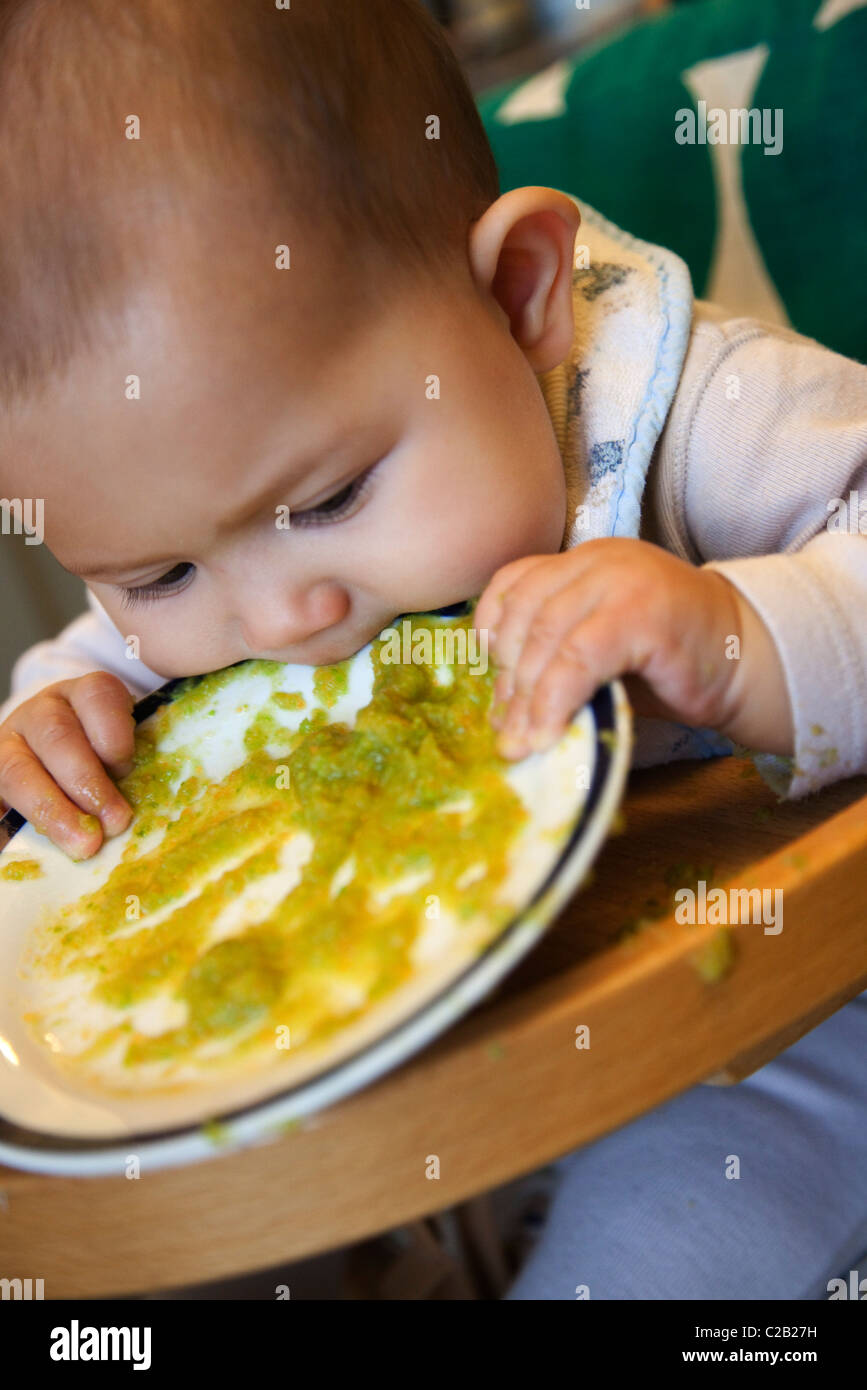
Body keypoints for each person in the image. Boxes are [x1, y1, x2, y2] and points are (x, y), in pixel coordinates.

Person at [0, 0, 865, 1299]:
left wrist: (739, 638)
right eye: (161, 572)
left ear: (518, 300)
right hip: (457, 1090)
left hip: (776, 1037)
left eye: (334, 498)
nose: (281, 625)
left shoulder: (690, 408)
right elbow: (102, 664)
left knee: (653, 1251)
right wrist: (59, 715)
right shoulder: (244, 571)